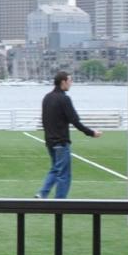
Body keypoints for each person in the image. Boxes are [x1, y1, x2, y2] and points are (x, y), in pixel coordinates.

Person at [37, 71, 99, 199]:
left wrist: (49, 137)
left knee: (55, 169)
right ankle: (60, 202)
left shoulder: (47, 97)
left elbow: (44, 120)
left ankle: (42, 194)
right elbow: (75, 121)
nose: (71, 83)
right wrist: (91, 133)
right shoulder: (64, 99)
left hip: (49, 142)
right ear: (63, 82)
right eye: (70, 81)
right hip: (61, 142)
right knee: (64, 174)